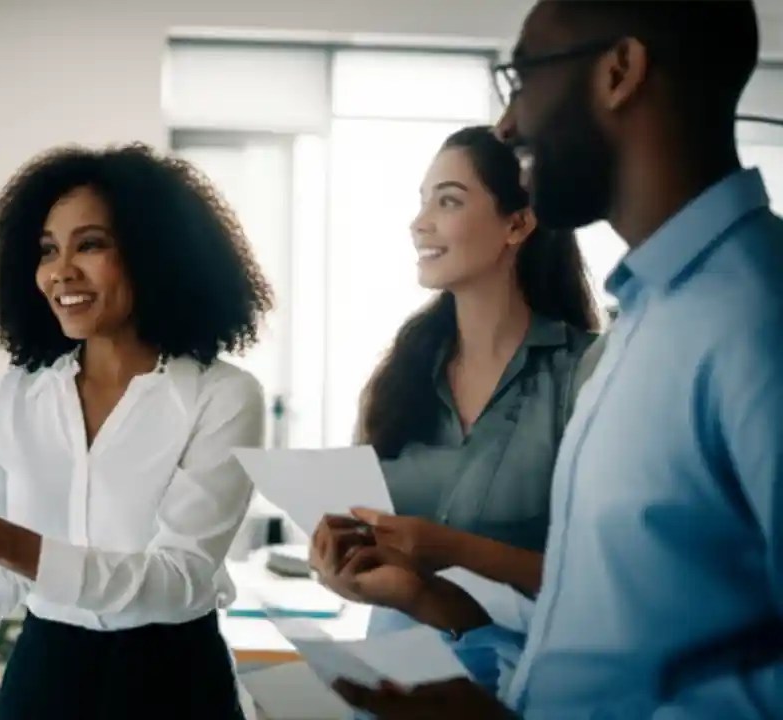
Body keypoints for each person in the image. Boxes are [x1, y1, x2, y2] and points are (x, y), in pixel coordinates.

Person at [316, 1, 783, 717]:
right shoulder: (647, 323)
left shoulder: (757, 313)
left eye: (521, 76)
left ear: (619, 71)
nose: (508, 124)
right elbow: (605, 628)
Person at [0, 143, 274, 719]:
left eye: (91, 245)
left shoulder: (222, 396)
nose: (61, 272)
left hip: (172, 682)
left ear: (155, 254)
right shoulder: (14, 398)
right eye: (48, 250)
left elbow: (177, 580)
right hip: (45, 676)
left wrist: (8, 542)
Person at [310, 124, 600, 691]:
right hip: (393, 683)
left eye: (447, 201)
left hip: (527, 689)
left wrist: (450, 550)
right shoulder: (396, 379)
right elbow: (361, 533)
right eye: (422, 202)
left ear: (517, 223)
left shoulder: (586, 374)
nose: (420, 223)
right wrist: (338, 564)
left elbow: (600, 579)